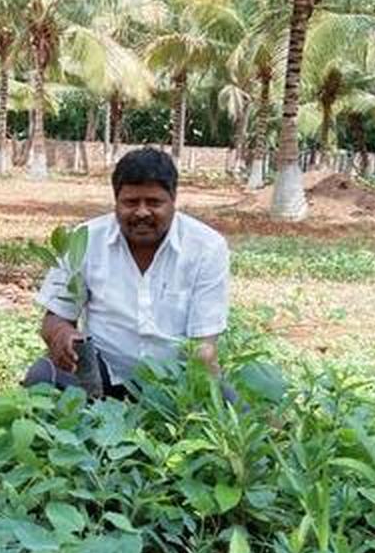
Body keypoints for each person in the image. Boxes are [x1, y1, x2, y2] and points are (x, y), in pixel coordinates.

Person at [24, 146, 230, 399]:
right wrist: (62, 334)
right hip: (98, 377)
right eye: (131, 202)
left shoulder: (206, 247)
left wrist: (195, 398)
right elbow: (53, 319)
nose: (142, 212)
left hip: (173, 386)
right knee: (42, 377)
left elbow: (203, 347)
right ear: (116, 202)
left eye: (154, 202)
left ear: (173, 200)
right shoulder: (85, 240)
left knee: (233, 404)